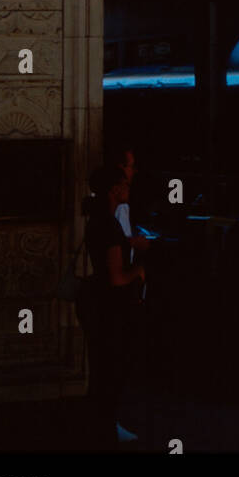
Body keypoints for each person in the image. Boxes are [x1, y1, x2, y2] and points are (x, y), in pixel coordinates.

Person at [85, 164, 147, 448]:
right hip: (110, 308)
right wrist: (139, 272)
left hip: (97, 305)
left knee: (101, 368)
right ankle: (106, 428)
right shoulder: (109, 225)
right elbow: (117, 277)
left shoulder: (96, 221)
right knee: (111, 369)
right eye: (124, 182)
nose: (128, 186)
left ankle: (101, 426)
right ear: (114, 189)